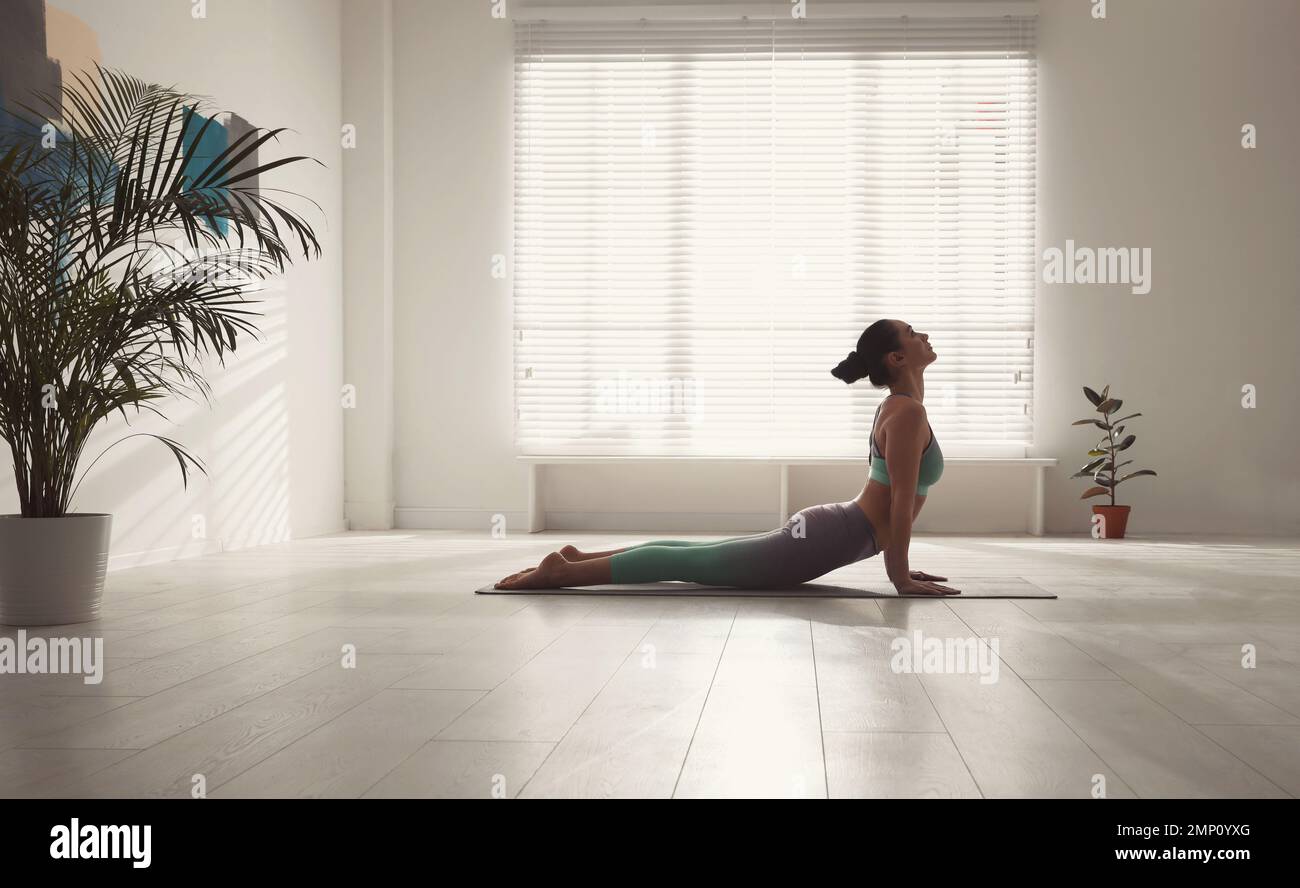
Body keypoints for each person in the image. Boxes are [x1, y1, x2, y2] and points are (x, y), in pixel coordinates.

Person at [495, 319, 960, 596]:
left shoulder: (903, 410)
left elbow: (896, 502)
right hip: (828, 537)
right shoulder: (906, 415)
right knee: (695, 564)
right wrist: (899, 575)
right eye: (912, 333)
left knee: (702, 555)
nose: (924, 335)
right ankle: (564, 573)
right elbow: (899, 504)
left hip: (834, 530)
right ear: (897, 359)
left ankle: (580, 558)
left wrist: (898, 563)